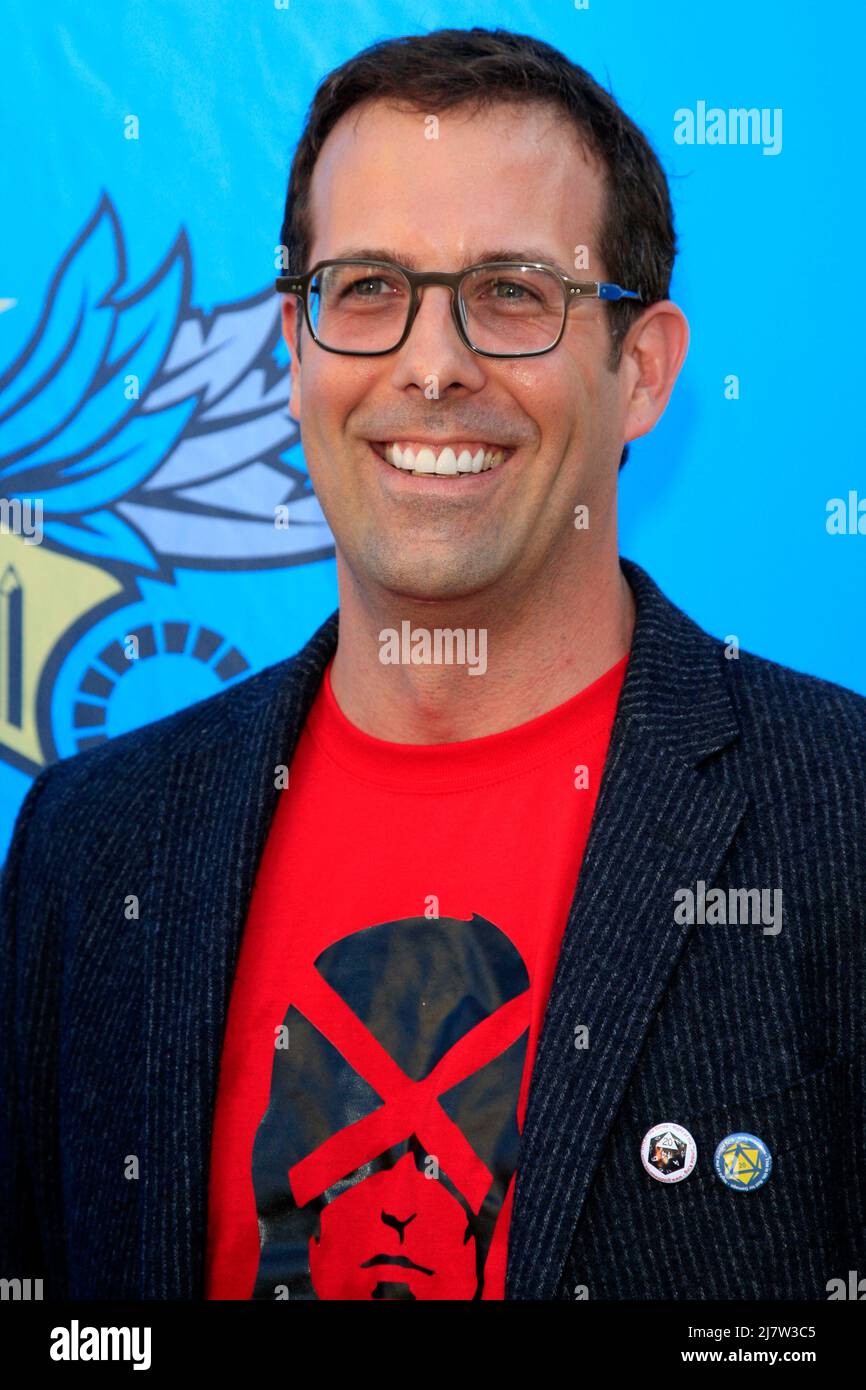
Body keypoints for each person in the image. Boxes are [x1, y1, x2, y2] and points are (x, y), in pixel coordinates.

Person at [1, 26, 864, 1303]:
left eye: (512, 292)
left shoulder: (840, 815)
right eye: (364, 290)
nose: (431, 362)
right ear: (292, 352)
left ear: (639, 371)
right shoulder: (94, 846)